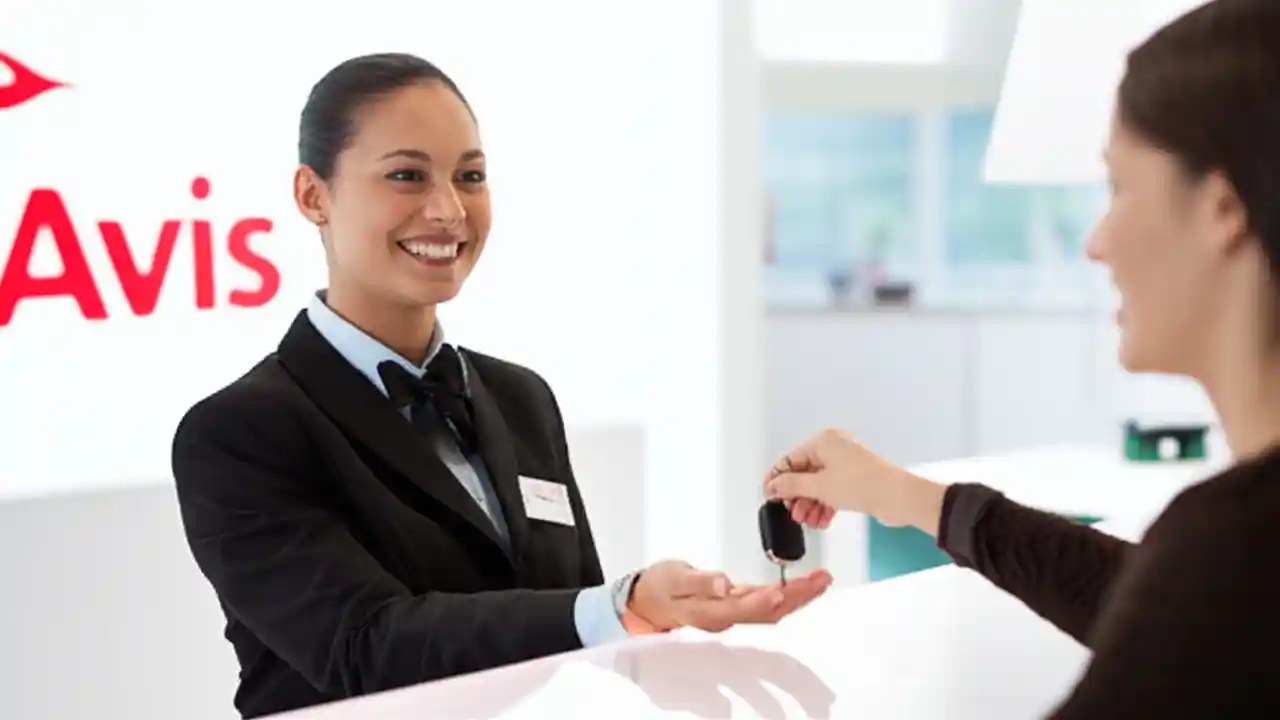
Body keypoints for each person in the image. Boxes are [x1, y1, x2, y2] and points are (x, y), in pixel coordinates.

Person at [171, 52, 831, 719]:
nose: (449, 209)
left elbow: (573, 643)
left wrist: (676, 640)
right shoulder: (239, 432)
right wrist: (618, 606)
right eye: (406, 175)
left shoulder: (520, 399)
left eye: (470, 176)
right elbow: (365, 649)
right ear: (314, 195)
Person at [764, 0, 1280, 716]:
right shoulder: (1230, 569)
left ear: (1223, 210)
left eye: (1120, 188)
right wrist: (903, 495)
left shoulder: (1232, 542)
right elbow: (1169, 614)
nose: (1095, 241)